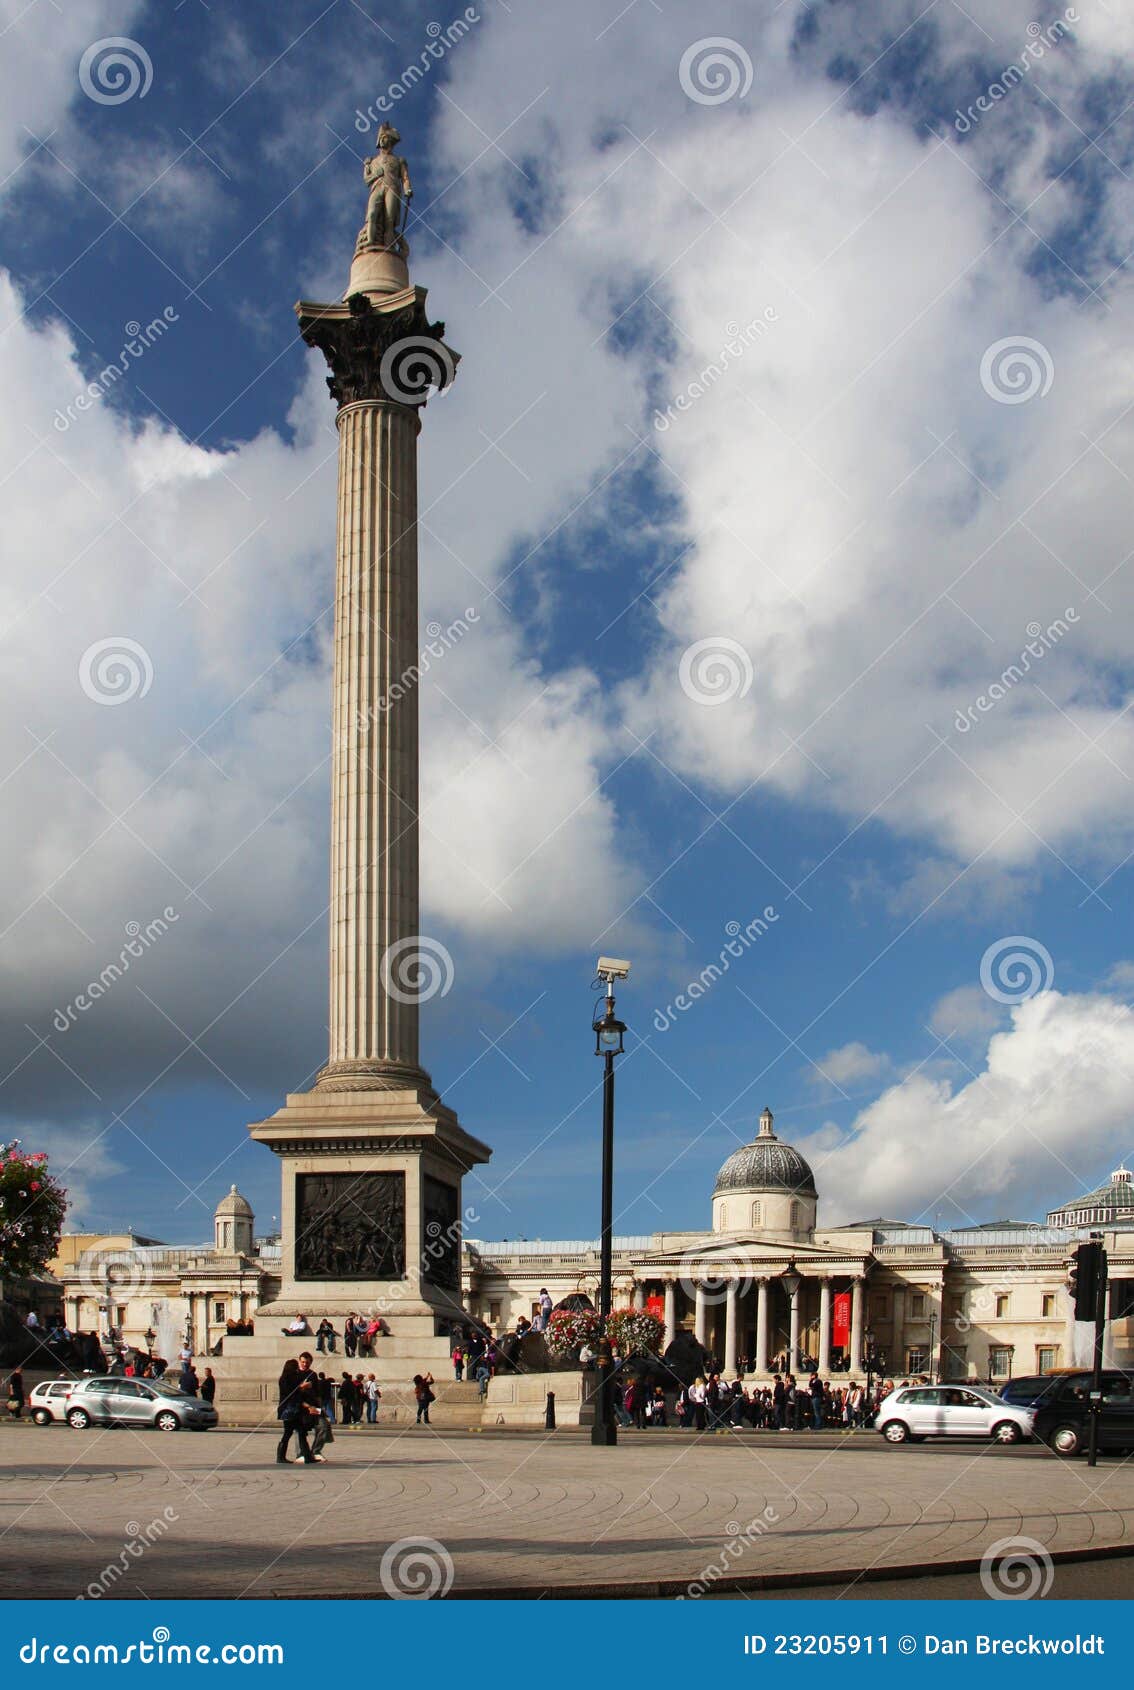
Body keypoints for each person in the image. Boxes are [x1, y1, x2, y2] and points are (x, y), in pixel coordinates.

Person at [276, 1358, 315, 1465]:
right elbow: (291, 1393)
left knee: (299, 1432)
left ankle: (307, 1456)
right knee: (290, 1433)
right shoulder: (288, 1378)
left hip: (289, 1409)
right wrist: (302, 1387)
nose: (298, 1368)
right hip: (290, 1410)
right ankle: (281, 1457)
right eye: (296, 1366)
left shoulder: (284, 1378)